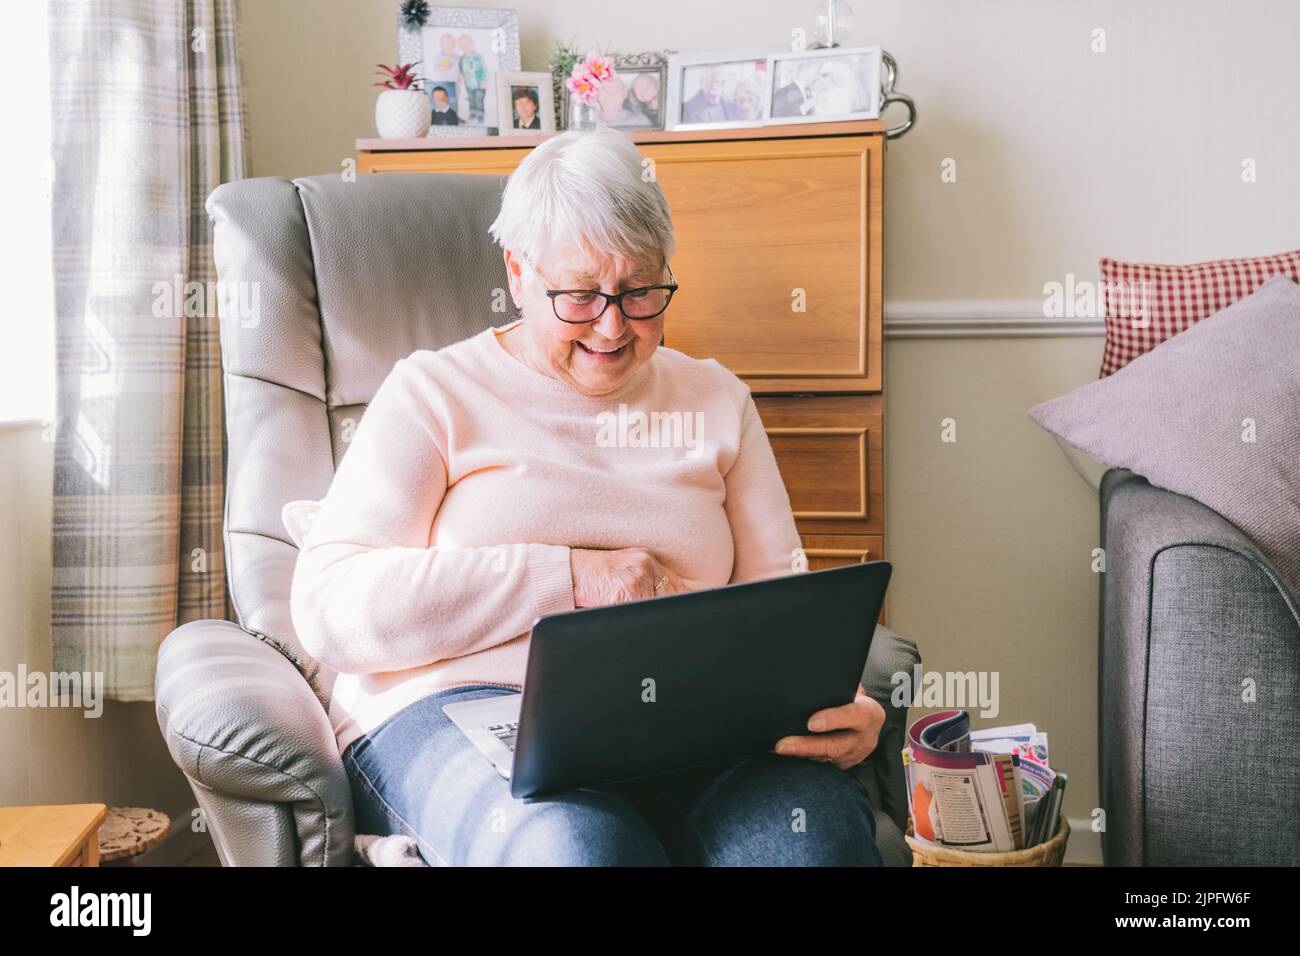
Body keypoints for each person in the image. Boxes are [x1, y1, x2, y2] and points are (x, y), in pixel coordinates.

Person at [290, 129, 888, 867]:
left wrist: (843, 702)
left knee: (813, 846)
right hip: (464, 707)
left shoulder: (716, 397)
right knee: (575, 851)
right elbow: (329, 608)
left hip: (692, 721)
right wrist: (568, 578)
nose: (612, 326)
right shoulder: (434, 393)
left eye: (641, 293)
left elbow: (784, 604)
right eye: (579, 296)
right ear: (518, 272)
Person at [680, 66, 744, 124]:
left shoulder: (733, 107)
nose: (715, 83)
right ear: (701, 80)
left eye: (721, 80)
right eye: (712, 78)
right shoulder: (686, 109)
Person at [458, 33, 487, 124]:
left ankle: (480, 114)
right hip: (469, 84)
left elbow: (484, 69)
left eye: (467, 43)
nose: (465, 46)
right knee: (471, 99)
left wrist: (484, 81)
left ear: (472, 44)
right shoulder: (462, 58)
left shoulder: (478, 57)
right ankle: (473, 112)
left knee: (479, 99)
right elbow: (461, 69)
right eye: (462, 45)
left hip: (478, 83)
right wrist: (462, 77)